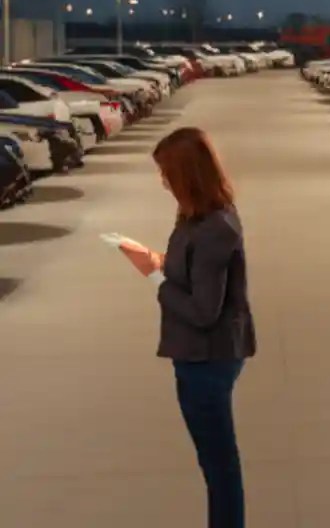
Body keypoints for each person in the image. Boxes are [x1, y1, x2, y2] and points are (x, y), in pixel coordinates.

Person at [119, 127, 255, 528]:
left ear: (188, 175)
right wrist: (159, 260)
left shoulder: (216, 229)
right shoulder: (201, 217)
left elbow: (202, 311)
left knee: (219, 466)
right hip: (202, 355)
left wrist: (153, 278)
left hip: (207, 358)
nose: (163, 182)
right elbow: (195, 274)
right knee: (214, 461)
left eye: (168, 174)